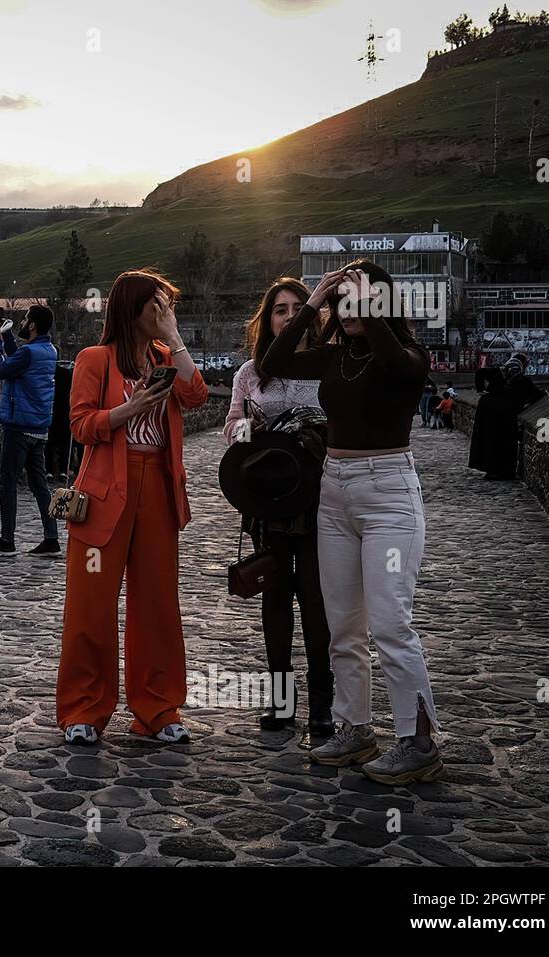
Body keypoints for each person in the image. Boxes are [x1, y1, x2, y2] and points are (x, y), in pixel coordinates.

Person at [262, 259, 444, 786]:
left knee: (389, 622)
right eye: (344, 304)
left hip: (388, 494)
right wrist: (315, 301)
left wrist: (368, 302)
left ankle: (418, 740)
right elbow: (274, 360)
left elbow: (396, 361)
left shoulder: (408, 355)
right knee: (342, 623)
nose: (349, 312)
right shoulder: (334, 358)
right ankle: (354, 727)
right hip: (335, 493)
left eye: (359, 302)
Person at [58, 269, 208, 746]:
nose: (166, 313)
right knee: (90, 605)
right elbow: (81, 425)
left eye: (170, 305)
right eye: (158, 305)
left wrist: (176, 338)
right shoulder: (95, 359)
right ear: (133, 308)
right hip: (105, 495)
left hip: (158, 492)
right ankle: (83, 708)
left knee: (158, 604)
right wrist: (131, 409)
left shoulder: (167, 357)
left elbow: (197, 395)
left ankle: (159, 707)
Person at [223, 278, 333, 738]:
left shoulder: (328, 365)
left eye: (296, 308)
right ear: (267, 320)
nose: (288, 316)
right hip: (269, 497)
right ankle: (281, 703)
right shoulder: (251, 373)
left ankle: (322, 706)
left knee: (315, 601)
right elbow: (231, 429)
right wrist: (251, 429)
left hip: (320, 497)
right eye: (279, 310)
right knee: (274, 598)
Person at [0, 305, 60, 557]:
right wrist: (6, 336)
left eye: (26, 319)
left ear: (33, 325)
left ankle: (7, 538)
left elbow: (0, 370)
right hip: (39, 428)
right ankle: (51, 537)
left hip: (18, 427)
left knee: (8, 482)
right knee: (39, 486)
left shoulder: (30, 352)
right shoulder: (48, 351)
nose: (22, 323)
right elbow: (20, 362)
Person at [469, 353, 545, 479]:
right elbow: (535, 394)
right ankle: (504, 472)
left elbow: (480, 373)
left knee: (489, 440)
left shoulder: (497, 372)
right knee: (506, 443)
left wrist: (481, 390)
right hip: (506, 414)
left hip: (488, 410)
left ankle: (491, 470)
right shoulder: (521, 380)